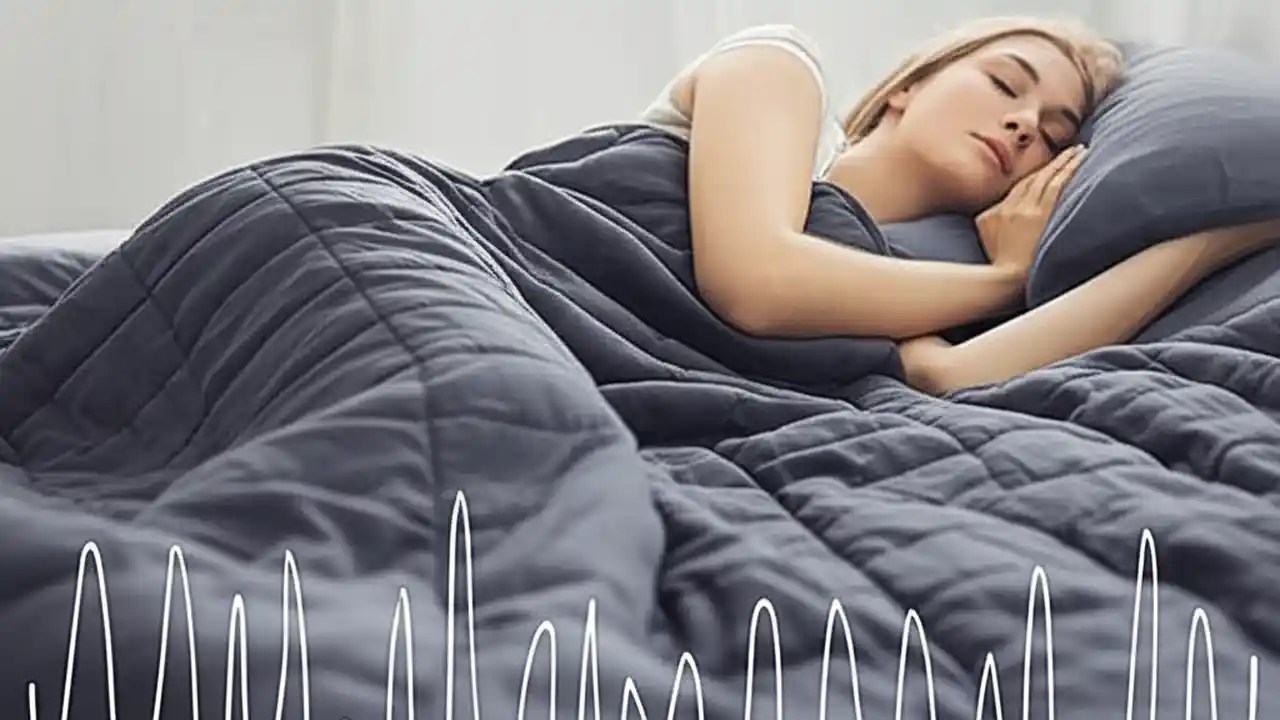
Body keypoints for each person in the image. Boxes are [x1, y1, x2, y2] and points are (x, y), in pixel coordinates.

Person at [637, 17, 1280, 395]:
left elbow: (947, 377)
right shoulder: (780, 69)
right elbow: (757, 283)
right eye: (1004, 83)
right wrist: (1005, 279)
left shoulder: (906, 271)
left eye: (1054, 135)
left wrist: (1215, 241)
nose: (1025, 123)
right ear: (908, 87)